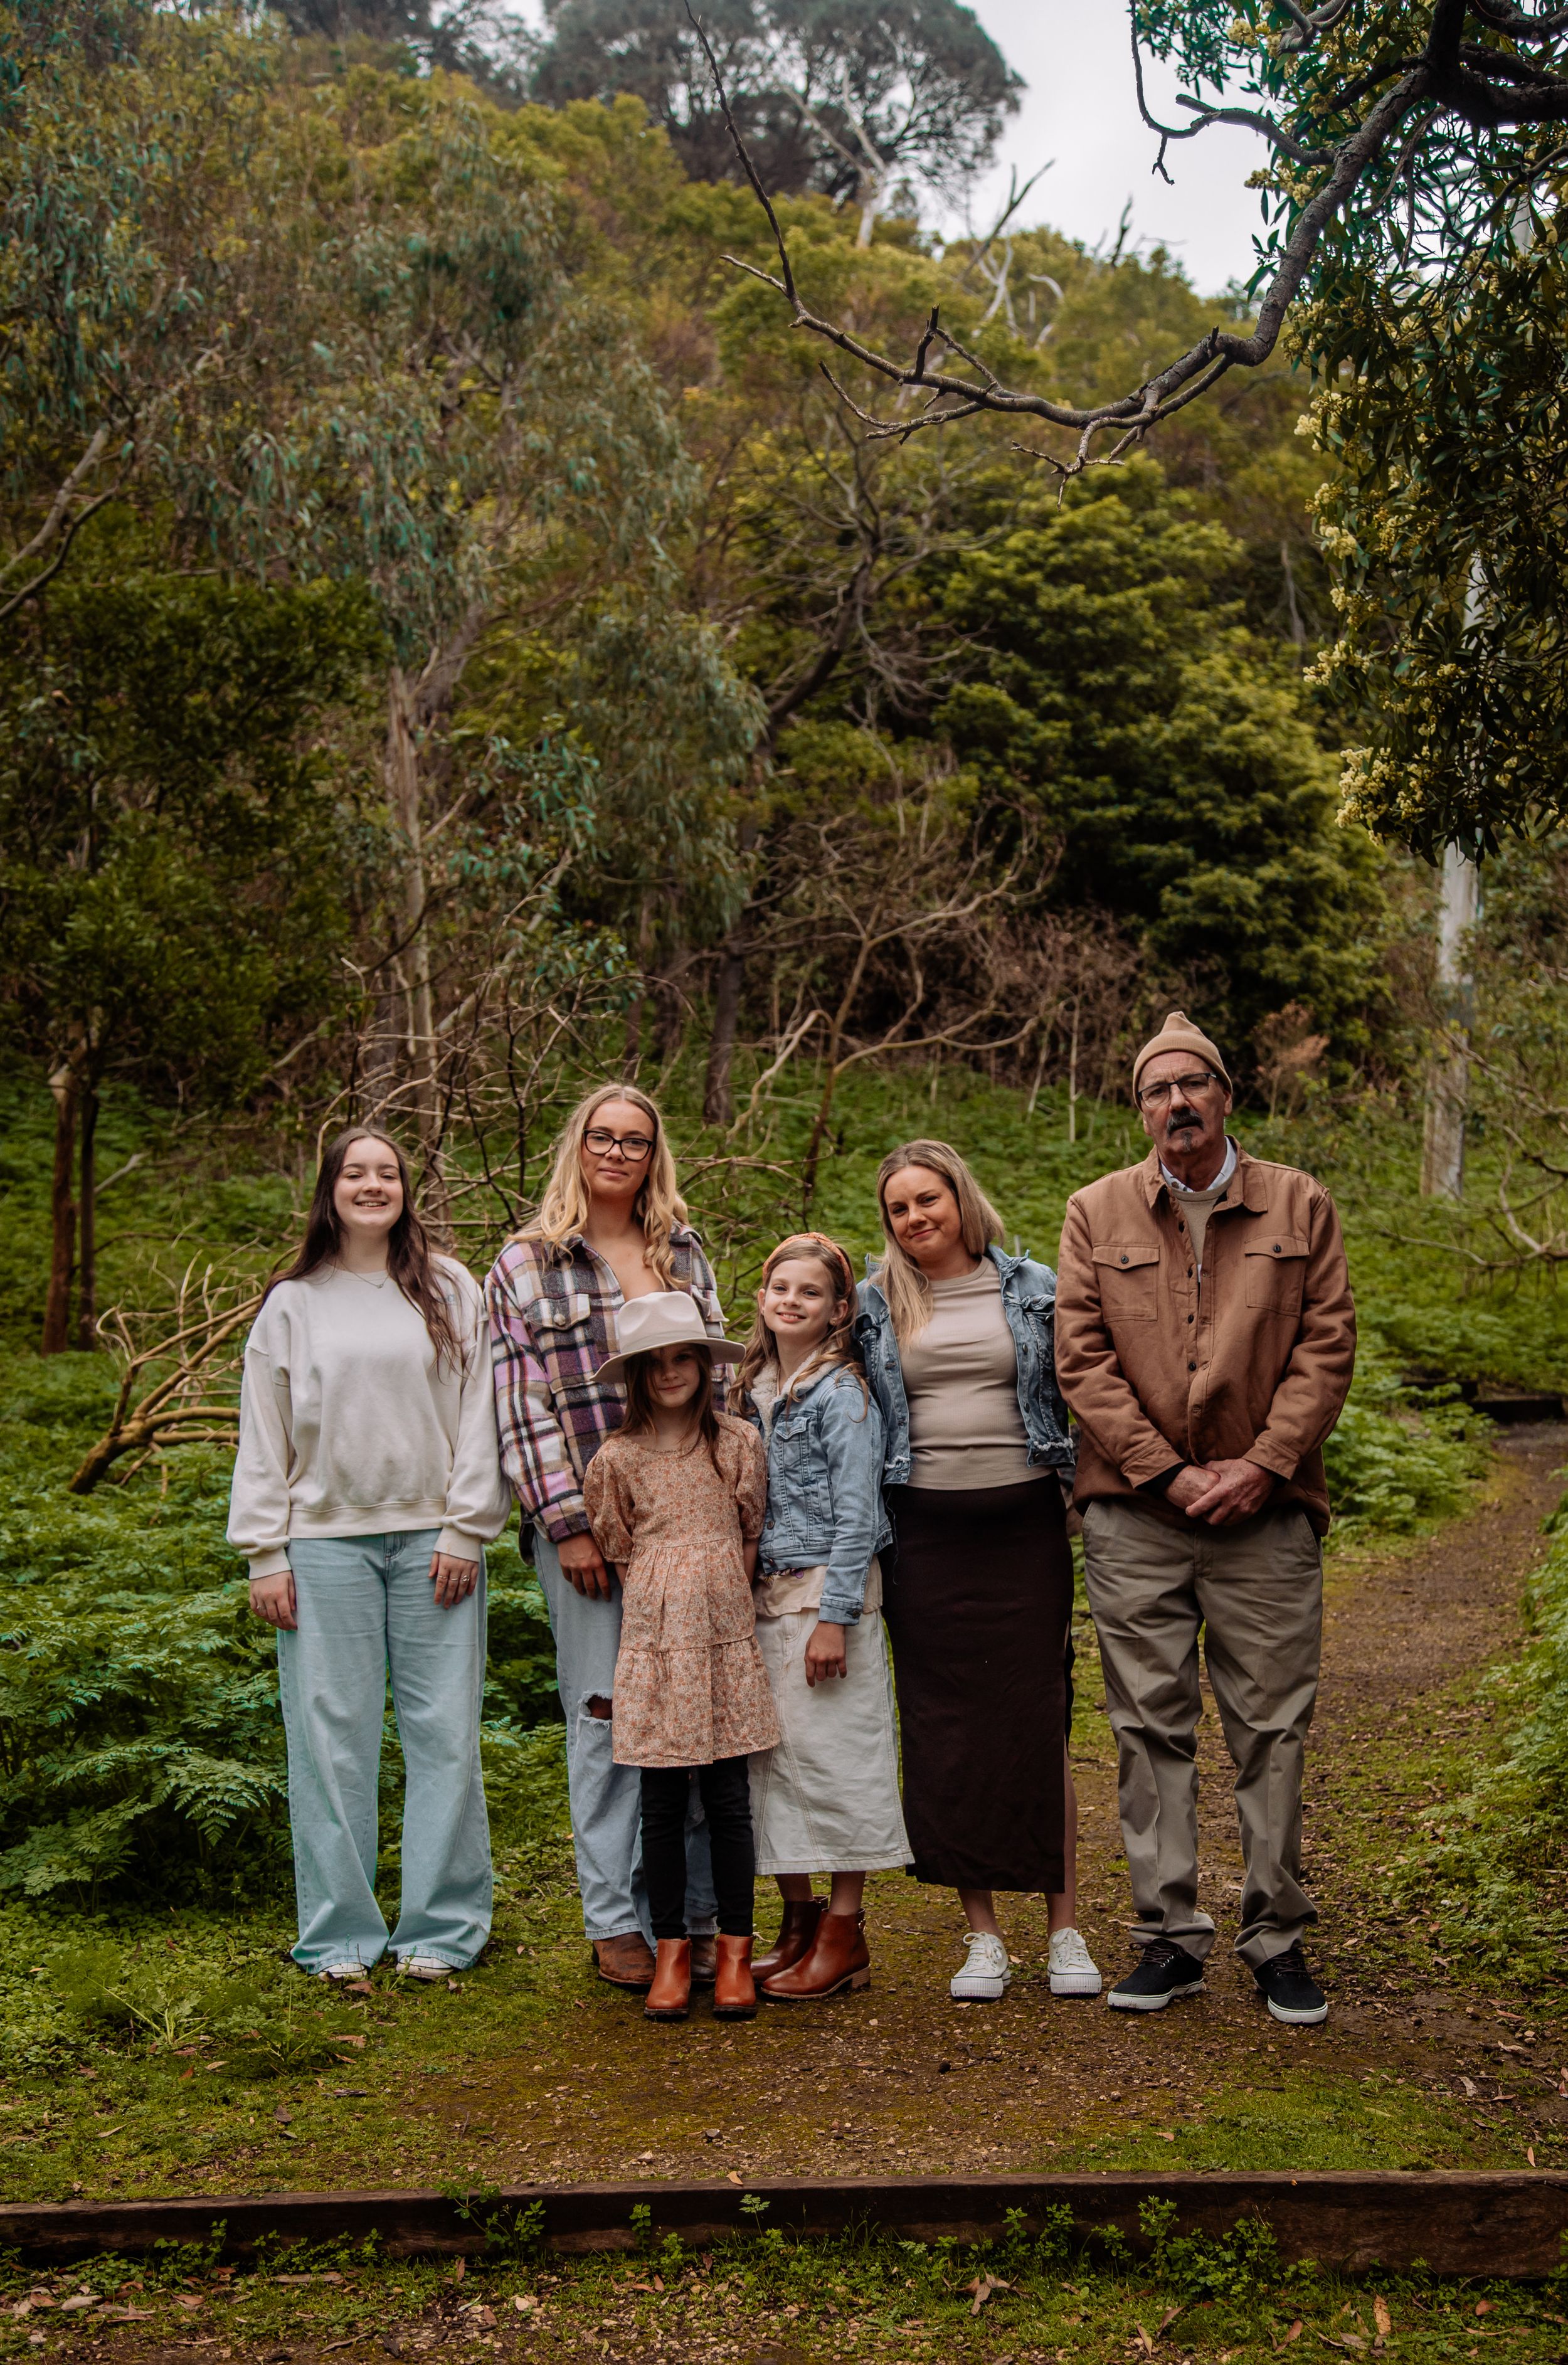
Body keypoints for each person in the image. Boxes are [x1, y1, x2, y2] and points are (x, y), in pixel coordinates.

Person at [1055, 1010, 1356, 2026]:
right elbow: (1081, 1359)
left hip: (1267, 1516)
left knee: (1271, 1727)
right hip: (1139, 1516)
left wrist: (1265, 1463)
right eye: (1156, 1089)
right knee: (1149, 1725)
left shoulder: (1299, 1204)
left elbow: (1326, 1347)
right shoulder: (1095, 1212)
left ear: (1227, 1094)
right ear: (1139, 1108)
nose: (1176, 1102)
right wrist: (1167, 1473)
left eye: (1194, 1084)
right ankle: (1168, 1937)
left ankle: (1276, 1937)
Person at [228, 1128, 509, 1981]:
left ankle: (442, 1926)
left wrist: (467, 1526)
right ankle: (340, 1933)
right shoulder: (292, 1302)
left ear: (405, 1190)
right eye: (356, 1172)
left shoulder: (450, 1286)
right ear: (330, 1188)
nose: (373, 1184)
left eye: (388, 1172)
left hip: (436, 1543)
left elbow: (481, 1410)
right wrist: (262, 1552)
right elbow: (263, 1434)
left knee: (445, 1735)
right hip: (320, 1548)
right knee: (329, 1741)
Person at [486, 1084, 727, 1992]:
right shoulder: (523, 1263)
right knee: (605, 1712)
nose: (618, 1152)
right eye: (602, 1136)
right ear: (578, 1147)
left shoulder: (682, 1248)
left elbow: (717, 1388)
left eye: (635, 1139)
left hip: (688, 1515)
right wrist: (568, 1524)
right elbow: (521, 1407)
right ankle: (614, 1916)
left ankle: (695, 1912)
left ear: (653, 1152)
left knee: (692, 1706)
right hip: (586, 1523)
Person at [856, 1139, 1100, 2006]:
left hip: (1024, 1525)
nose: (916, 1218)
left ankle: (1066, 1929)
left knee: (1039, 1719)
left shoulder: (1035, 1286)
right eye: (899, 1208)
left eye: (930, 1199)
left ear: (961, 1198)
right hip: (922, 1532)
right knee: (946, 1727)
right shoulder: (875, 1303)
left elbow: (1089, 1386)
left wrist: (1086, 1489)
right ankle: (984, 1934)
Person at [582, 1291, 775, 2023]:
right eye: (654, 1362)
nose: (670, 1373)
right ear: (635, 1374)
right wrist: (671, 1594)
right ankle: (669, 1950)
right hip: (656, 1644)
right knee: (660, 1804)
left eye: (682, 1357)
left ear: (703, 1363)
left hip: (724, 1634)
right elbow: (619, 1544)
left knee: (727, 1799)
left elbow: (751, 1527)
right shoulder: (617, 1459)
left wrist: (718, 1588)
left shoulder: (735, 1443)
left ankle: (732, 1951)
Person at [736, 1232, 911, 2002]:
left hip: (824, 1598)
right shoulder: (752, 1391)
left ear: (839, 1309)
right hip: (766, 1598)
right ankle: (797, 1923)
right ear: (762, 1297)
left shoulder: (841, 1394)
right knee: (774, 1767)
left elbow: (857, 1514)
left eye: (809, 1293)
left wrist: (836, 1616)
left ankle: (844, 1931)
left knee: (838, 1760)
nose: (790, 1302)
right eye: (780, 1288)